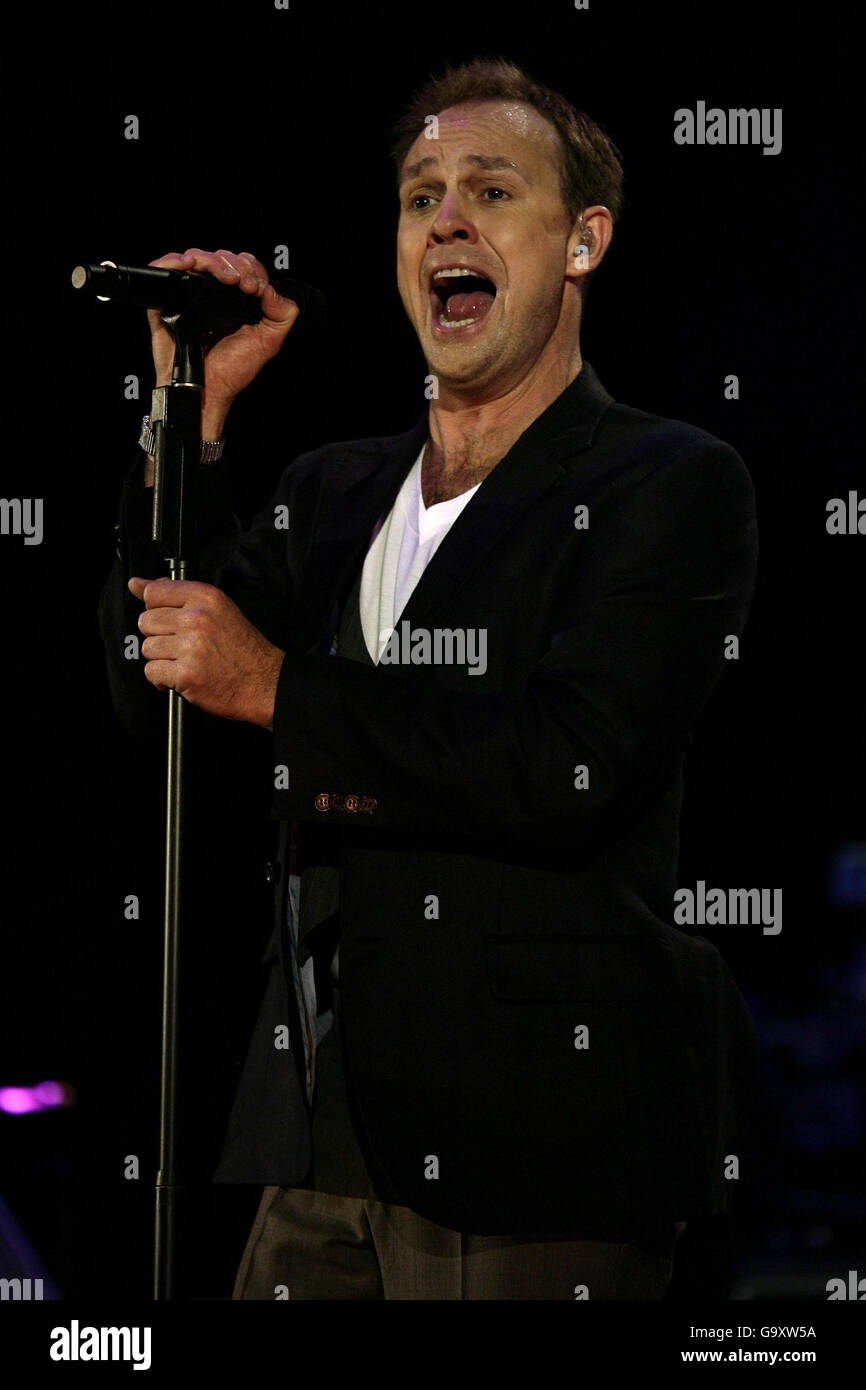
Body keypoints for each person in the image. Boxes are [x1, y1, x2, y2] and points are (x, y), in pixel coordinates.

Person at [98, 57, 759, 1300]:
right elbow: (153, 684)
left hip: (538, 1150)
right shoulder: (332, 491)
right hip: (318, 1135)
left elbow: (565, 762)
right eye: (419, 196)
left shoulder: (664, 483)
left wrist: (281, 691)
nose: (445, 218)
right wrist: (188, 416)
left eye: (490, 190)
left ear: (581, 242)